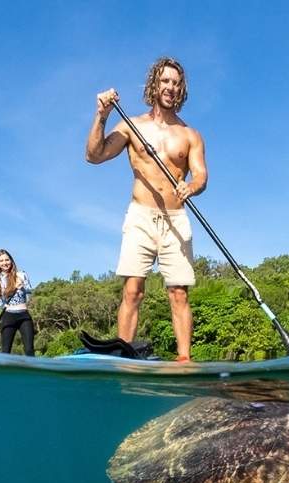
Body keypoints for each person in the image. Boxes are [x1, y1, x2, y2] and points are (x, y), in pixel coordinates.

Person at [86, 56, 208, 362]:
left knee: (179, 293)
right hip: (140, 215)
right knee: (133, 289)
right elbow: (95, 155)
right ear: (154, 84)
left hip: (176, 218)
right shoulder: (132, 126)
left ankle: (184, 361)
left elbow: (201, 175)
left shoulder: (190, 135)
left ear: (181, 90)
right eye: (165, 81)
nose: (170, 87)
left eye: (176, 83)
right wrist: (102, 116)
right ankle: (122, 356)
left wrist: (191, 186)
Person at [0, 249, 35, 356]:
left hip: (24, 315)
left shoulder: (21, 274)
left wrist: (22, 285)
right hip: (8, 316)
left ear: (11, 260)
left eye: (7, 260)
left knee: (29, 350)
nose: (5, 263)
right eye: (1, 261)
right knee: (5, 352)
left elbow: (30, 290)